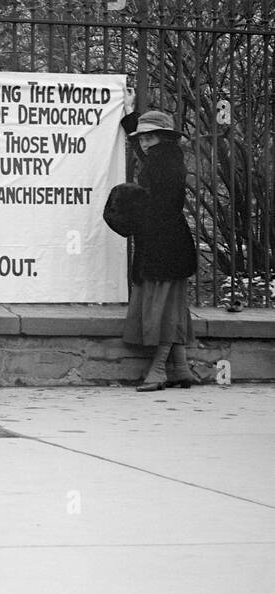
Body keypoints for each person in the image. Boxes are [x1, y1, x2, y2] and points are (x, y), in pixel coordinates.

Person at [119, 109, 199, 391]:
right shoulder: (164, 159)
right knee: (172, 306)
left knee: (164, 309)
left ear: (163, 138)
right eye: (141, 138)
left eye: (149, 137)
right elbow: (149, 169)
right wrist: (131, 115)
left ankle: (158, 370)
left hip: (163, 246)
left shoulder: (162, 163)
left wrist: (131, 202)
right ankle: (181, 368)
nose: (143, 143)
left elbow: (158, 204)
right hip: (168, 245)